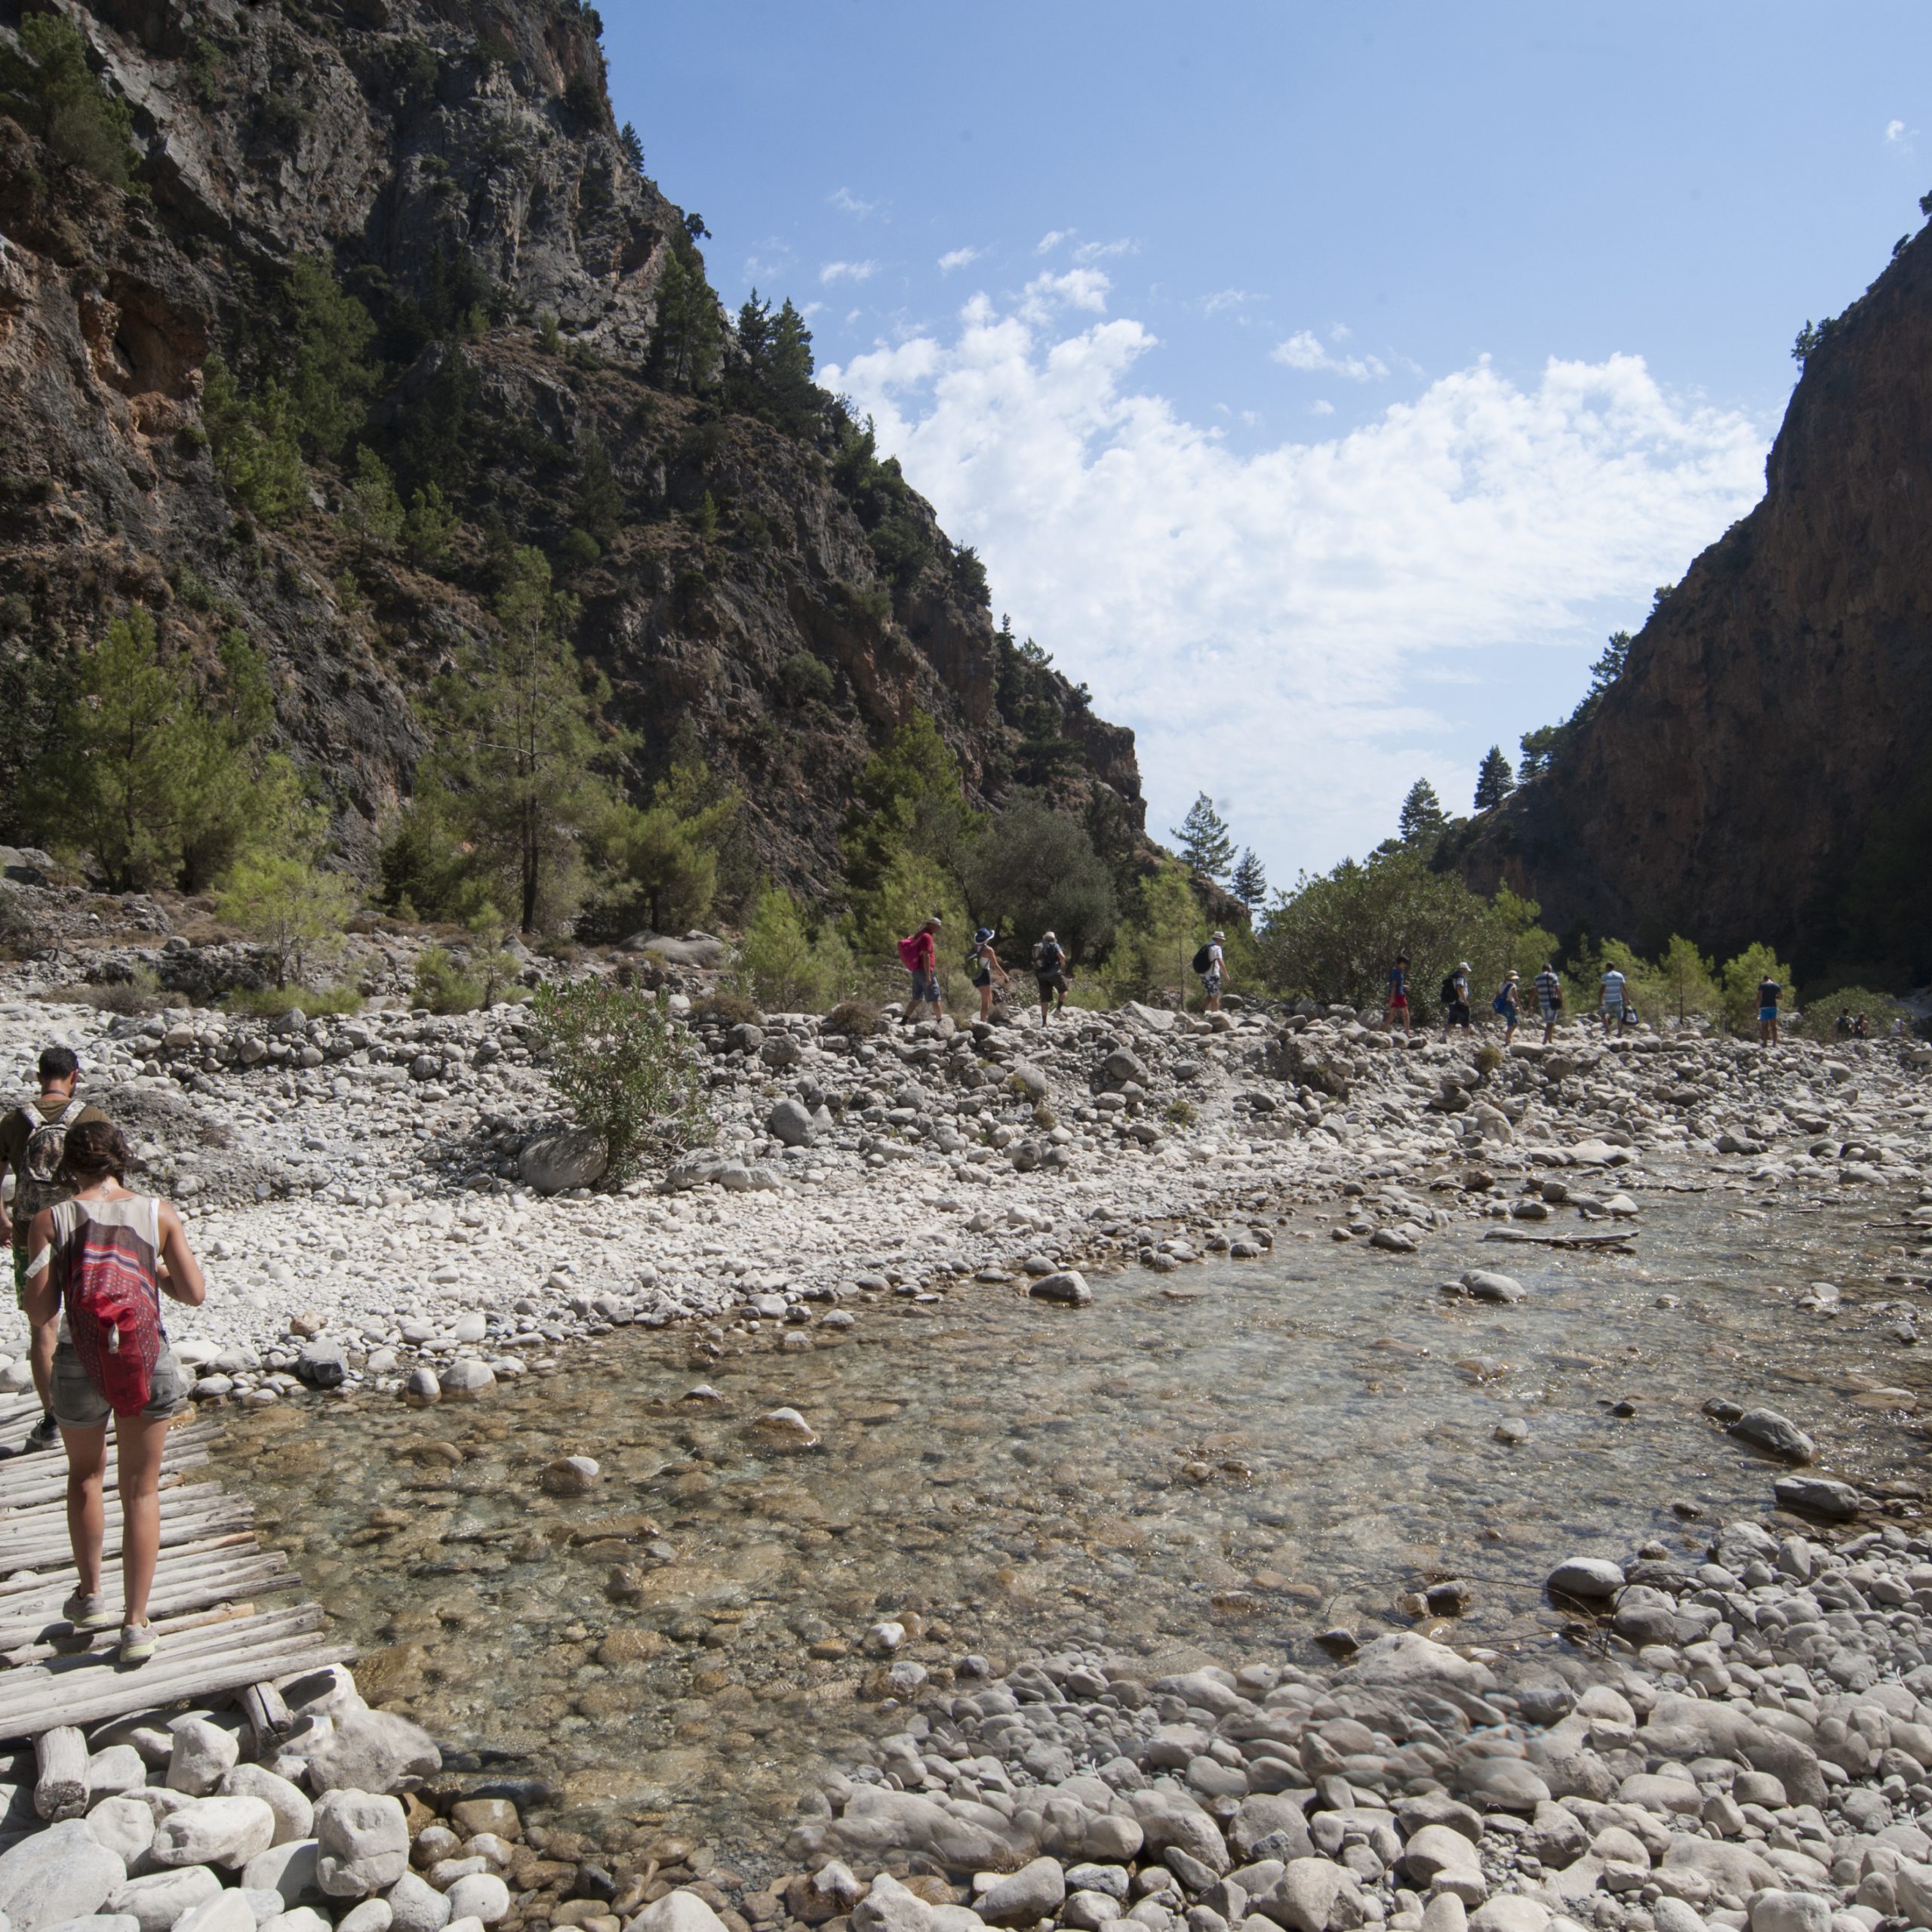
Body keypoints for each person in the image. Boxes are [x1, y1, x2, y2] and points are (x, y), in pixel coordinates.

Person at [22, 1119, 205, 1664]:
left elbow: (39, 1310)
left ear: (67, 1165)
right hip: (145, 1358)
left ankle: (92, 1596)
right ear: (122, 1159)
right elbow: (193, 1293)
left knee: (85, 1476)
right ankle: (135, 1623)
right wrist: (152, 1272)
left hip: (80, 1361)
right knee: (141, 1491)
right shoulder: (159, 1213)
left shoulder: (49, 1219)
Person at [0, 1047, 108, 1455]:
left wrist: (2, 1220)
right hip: (81, 1231)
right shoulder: (91, 1117)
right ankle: (97, 1402)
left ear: (39, 1076)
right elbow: (108, 1179)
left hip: (32, 1236)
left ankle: (51, 1416)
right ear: (74, 1075)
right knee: (90, 1315)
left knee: (42, 1326)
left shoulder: (13, 1120)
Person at [897, 915, 944, 1022]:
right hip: (925, 971)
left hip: (917, 971)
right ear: (931, 925)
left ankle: (904, 1020)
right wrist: (928, 975)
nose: (937, 929)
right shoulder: (927, 937)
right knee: (936, 997)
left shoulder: (919, 934)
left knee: (916, 998)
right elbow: (926, 956)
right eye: (936, 926)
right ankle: (940, 1021)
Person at [968, 925, 1011, 1023]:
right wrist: (1005, 976)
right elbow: (996, 966)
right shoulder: (988, 950)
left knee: (989, 997)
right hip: (984, 975)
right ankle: (982, 1023)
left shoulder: (974, 948)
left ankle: (987, 1017)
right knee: (985, 1001)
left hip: (974, 975)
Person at [1032, 931, 1070, 1025]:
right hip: (1054, 973)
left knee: (1044, 999)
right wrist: (1063, 962)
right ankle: (1058, 1010)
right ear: (1053, 939)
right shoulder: (1054, 945)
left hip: (1041, 974)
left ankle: (1044, 1023)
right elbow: (1062, 956)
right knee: (1064, 990)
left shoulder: (1039, 945)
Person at [1533, 962, 1564, 1044]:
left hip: (1542, 1002)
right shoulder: (1552, 976)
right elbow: (1557, 988)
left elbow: (1534, 992)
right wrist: (1561, 1000)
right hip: (1552, 1001)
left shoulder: (1537, 978)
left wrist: (1530, 1005)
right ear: (1549, 969)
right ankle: (1544, 1042)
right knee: (1550, 1023)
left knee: (1548, 1022)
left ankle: (1550, 1041)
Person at [1439, 961, 1472, 1039]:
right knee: (1465, 1019)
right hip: (1460, 1002)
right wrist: (1465, 1001)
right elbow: (1459, 988)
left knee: (1452, 1019)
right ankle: (1466, 1039)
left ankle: (1444, 1036)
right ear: (1463, 969)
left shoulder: (1452, 976)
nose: (1467, 972)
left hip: (1452, 1001)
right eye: (1466, 970)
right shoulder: (1460, 977)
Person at [1492, 969, 1521, 1044]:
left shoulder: (1501, 985)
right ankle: (1507, 1040)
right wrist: (1520, 1008)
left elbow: (1497, 996)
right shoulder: (1512, 986)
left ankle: (1508, 1038)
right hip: (1509, 1005)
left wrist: (1495, 1008)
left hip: (1502, 1006)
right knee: (1511, 1024)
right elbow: (1516, 998)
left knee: (1516, 1022)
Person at [1599, 964, 1629, 1033]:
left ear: (1607, 967)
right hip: (1618, 999)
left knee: (1602, 1014)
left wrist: (1600, 1000)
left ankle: (1607, 1029)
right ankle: (1619, 1033)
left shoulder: (1605, 976)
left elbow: (1602, 989)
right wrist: (1627, 998)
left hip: (1607, 1000)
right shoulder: (1620, 975)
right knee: (1619, 1017)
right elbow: (1623, 988)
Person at [1201, 931, 1227, 1013]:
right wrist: (1225, 974)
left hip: (1204, 975)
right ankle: (1215, 1017)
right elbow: (1220, 960)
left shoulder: (1207, 946)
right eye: (1222, 940)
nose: (1223, 941)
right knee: (1216, 996)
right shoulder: (1216, 947)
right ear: (1218, 939)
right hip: (1213, 975)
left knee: (1211, 994)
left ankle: (1201, 1011)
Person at [1386, 955, 1411, 1035]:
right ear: (1400, 963)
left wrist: (1404, 986)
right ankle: (1407, 1034)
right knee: (1406, 1015)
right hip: (1399, 995)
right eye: (1404, 964)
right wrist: (1392, 999)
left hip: (1394, 995)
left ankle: (1381, 1030)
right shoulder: (1397, 972)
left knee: (1392, 1016)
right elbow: (1394, 985)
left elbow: (1395, 984)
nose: (1405, 966)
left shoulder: (1394, 970)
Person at [1757, 973, 1780, 1046]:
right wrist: (1774, 997)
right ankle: (1774, 1043)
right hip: (1773, 1007)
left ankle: (1765, 1043)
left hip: (1764, 1007)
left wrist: (1756, 1006)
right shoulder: (1777, 986)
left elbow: (1759, 997)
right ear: (1771, 979)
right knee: (1774, 1026)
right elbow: (1780, 997)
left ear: (1764, 979)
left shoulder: (1762, 986)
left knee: (1765, 1026)